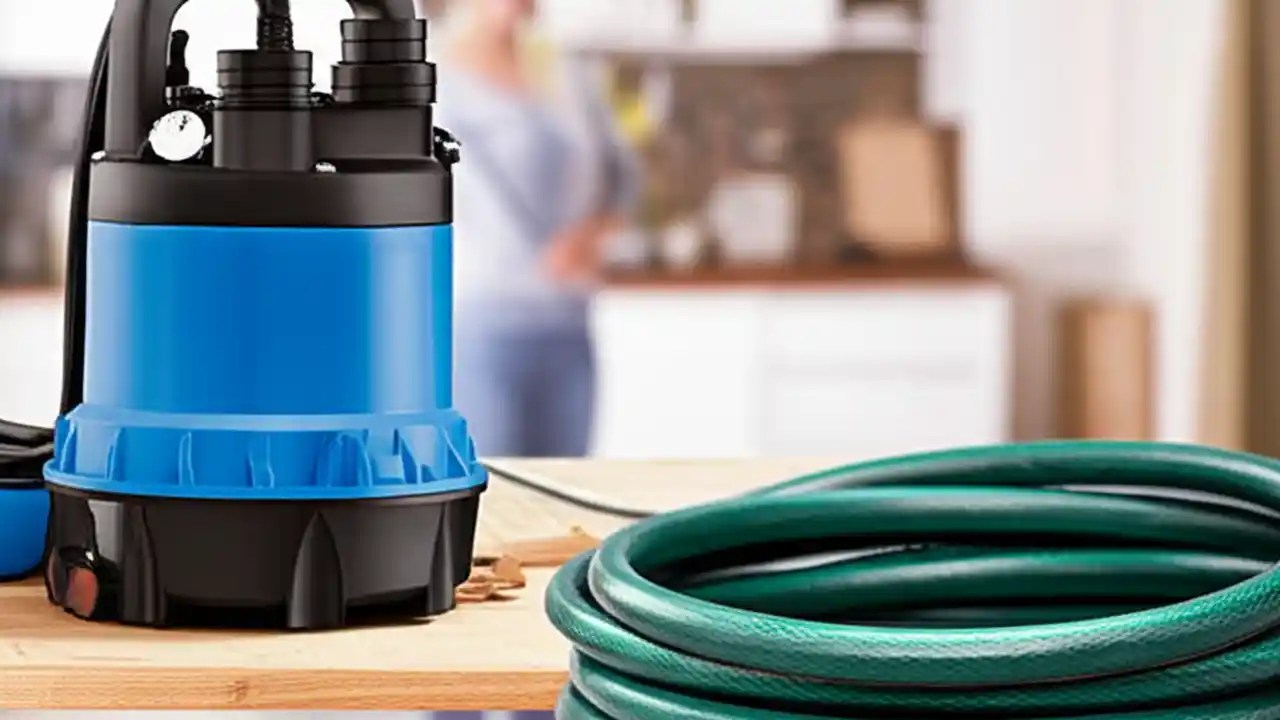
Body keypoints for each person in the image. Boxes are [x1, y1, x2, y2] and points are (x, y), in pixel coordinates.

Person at [435, 0, 639, 459]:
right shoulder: (445, 84)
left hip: (569, 323)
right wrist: (547, 254)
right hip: (490, 324)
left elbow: (622, 173)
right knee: (498, 489)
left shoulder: (568, 72)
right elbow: (478, 188)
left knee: (565, 490)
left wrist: (590, 234)